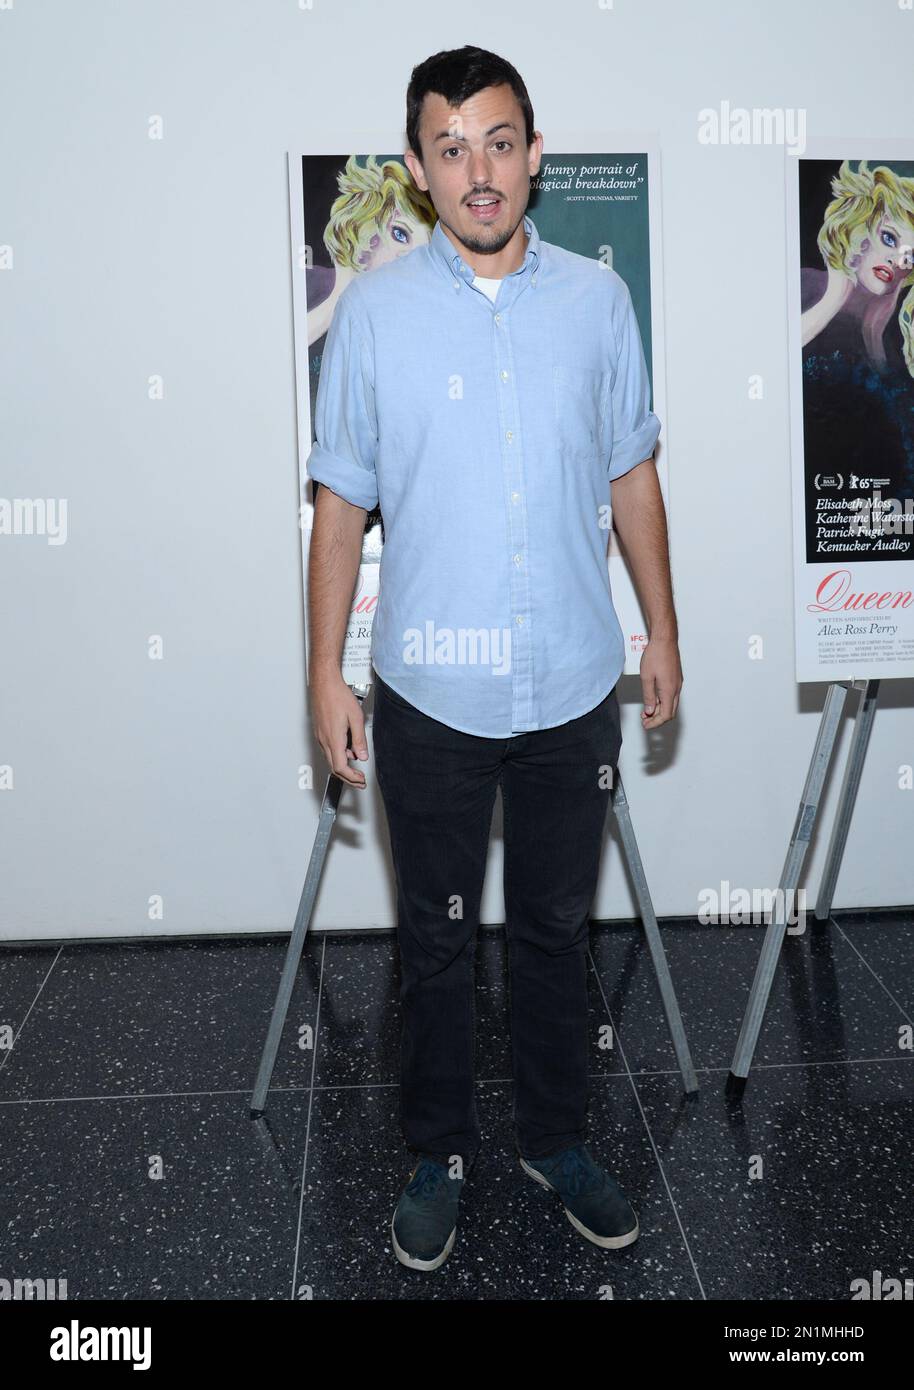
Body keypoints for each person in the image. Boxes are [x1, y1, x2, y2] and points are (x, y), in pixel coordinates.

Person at [306, 45, 682, 1272]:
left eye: (500, 140)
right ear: (415, 172)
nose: (479, 170)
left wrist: (663, 629)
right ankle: (436, 1152)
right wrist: (324, 673)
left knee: (555, 929)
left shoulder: (596, 303)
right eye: (451, 147)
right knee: (434, 936)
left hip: (573, 685)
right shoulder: (370, 316)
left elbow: (632, 471)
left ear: (534, 153)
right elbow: (340, 506)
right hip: (429, 694)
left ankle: (555, 1137)